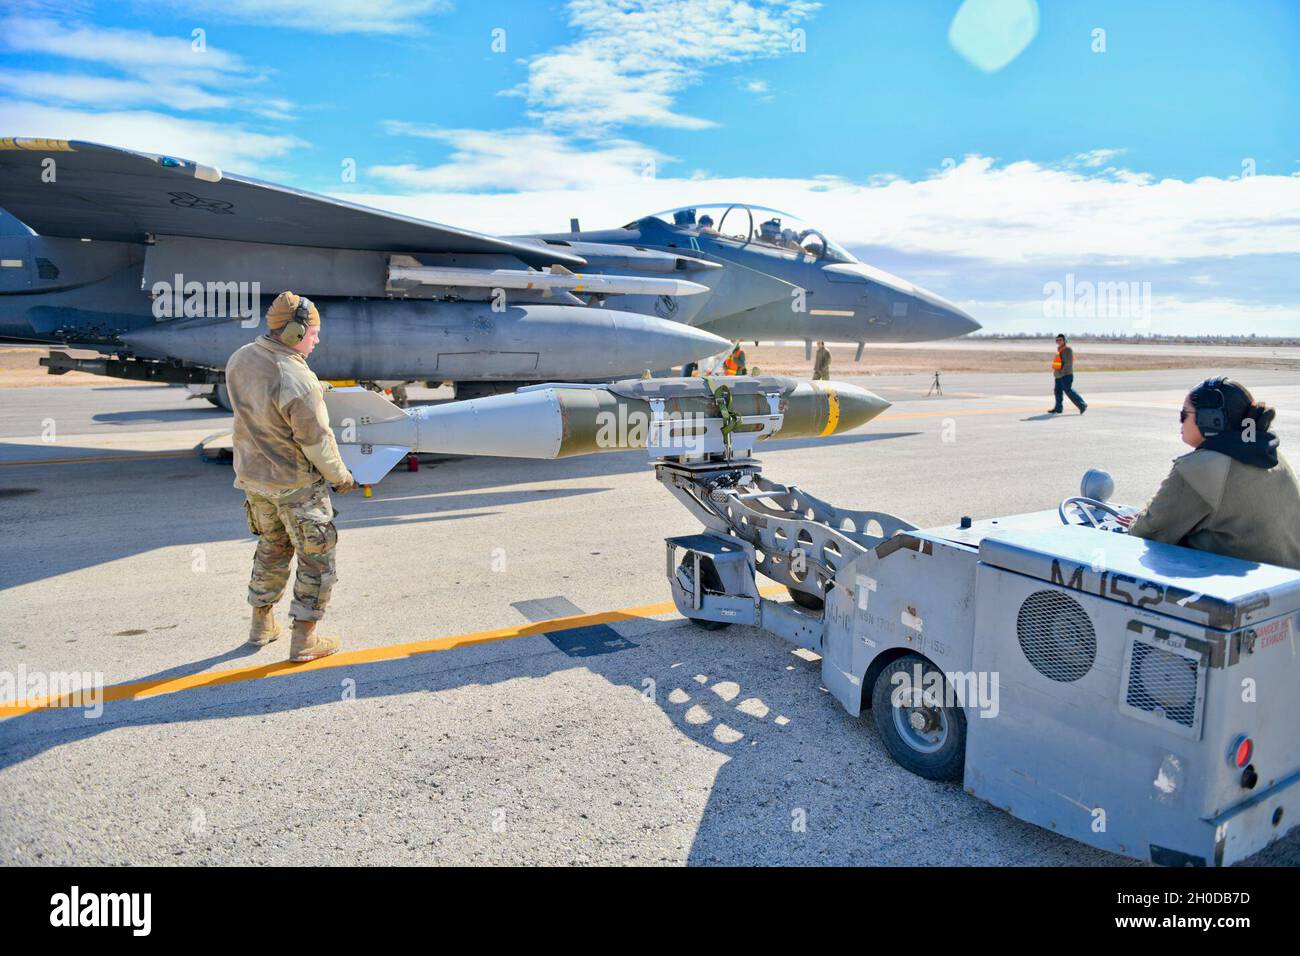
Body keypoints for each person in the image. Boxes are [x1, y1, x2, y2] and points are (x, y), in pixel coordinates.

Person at [225, 291, 358, 662]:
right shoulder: (295, 377)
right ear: (295, 332)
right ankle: (305, 641)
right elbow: (316, 441)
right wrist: (342, 477)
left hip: (254, 481)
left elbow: (267, 399)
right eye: (313, 333)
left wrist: (319, 388)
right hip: (295, 486)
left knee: (272, 548)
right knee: (317, 560)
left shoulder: (241, 359)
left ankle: (261, 626)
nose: (317, 339)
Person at [1120, 377, 1300, 570]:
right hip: (1289, 586)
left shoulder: (1200, 467)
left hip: (1240, 594)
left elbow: (1146, 532)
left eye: (1184, 414)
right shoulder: (1273, 457)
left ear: (1210, 420)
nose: (1181, 421)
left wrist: (1139, 522)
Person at [1047, 333, 1087, 414]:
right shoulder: (1059, 350)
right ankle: (1058, 408)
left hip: (1066, 375)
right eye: (1057, 340)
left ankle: (1082, 405)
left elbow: (1068, 364)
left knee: (1068, 390)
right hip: (1058, 375)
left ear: (1065, 341)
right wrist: (1057, 373)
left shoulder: (1068, 349)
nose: (1058, 341)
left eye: (1060, 340)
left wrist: (1062, 373)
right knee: (1057, 391)